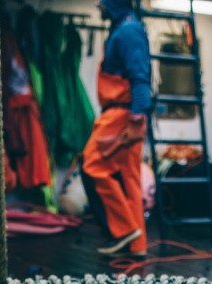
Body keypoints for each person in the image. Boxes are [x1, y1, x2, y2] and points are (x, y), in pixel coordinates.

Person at [81, 0, 152, 257]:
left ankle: (123, 230)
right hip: (126, 112)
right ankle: (138, 246)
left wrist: (136, 116)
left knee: (92, 165)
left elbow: (140, 75)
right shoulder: (124, 28)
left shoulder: (127, 32)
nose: (98, 4)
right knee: (129, 178)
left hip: (122, 114)